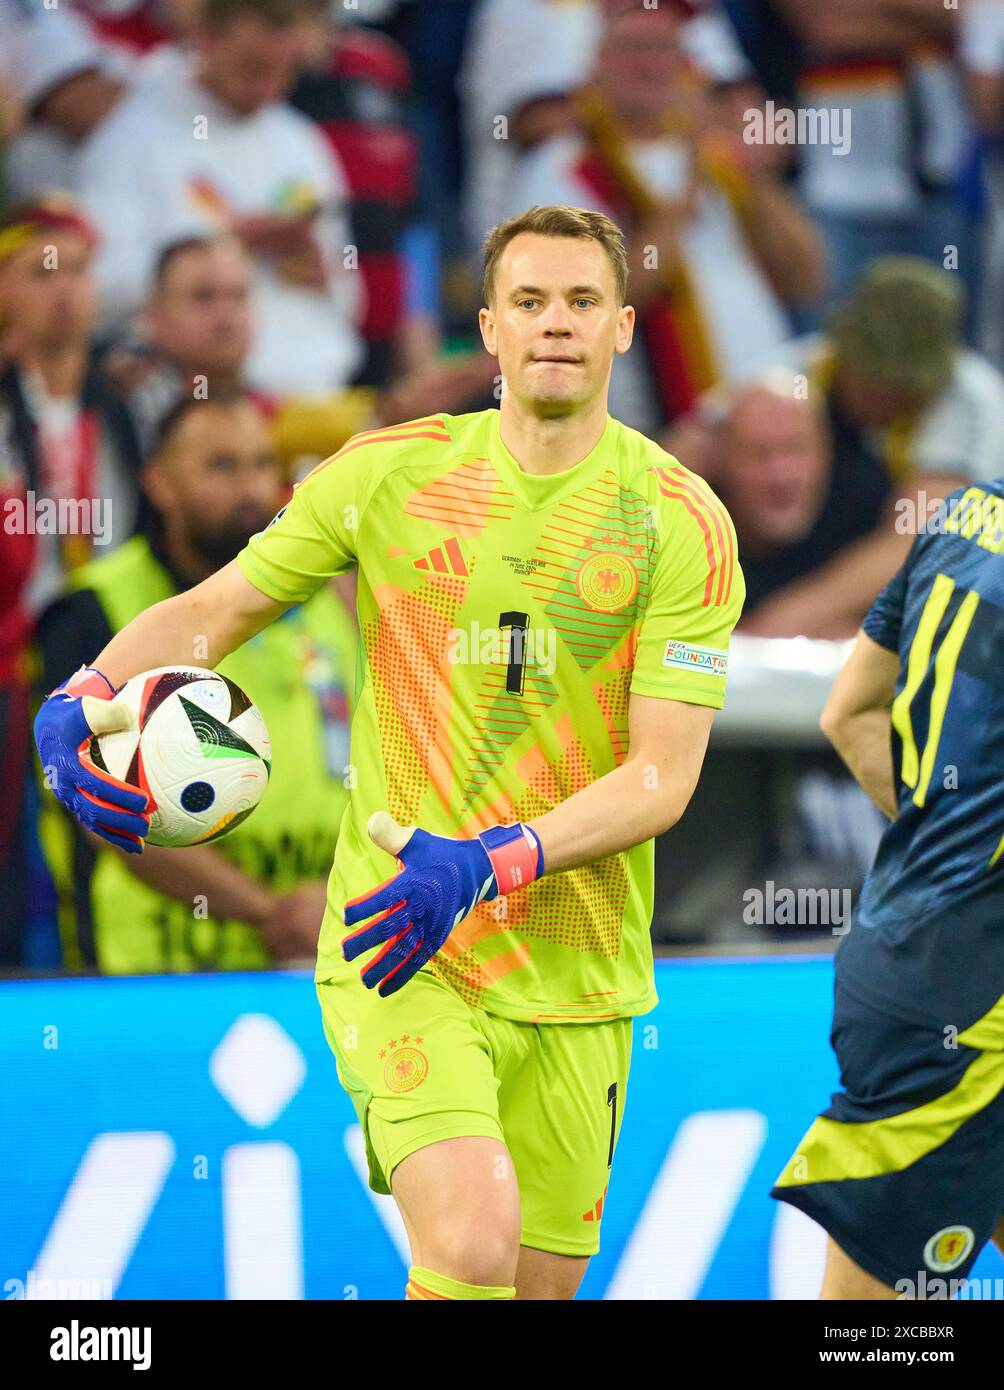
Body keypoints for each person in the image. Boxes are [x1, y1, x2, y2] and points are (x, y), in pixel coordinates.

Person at [33, 203, 745, 1300]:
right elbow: (218, 609)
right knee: (466, 1249)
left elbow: (664, 775)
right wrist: (84, 694)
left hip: (577, 966)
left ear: (620, 330)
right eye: (527, 302)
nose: (553, 323)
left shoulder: (680, 520)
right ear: (489, 332)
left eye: (579, 302)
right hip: (401, 936)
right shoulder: (385, 475)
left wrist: (495, 857)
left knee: (535, 1287)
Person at [772, 478, 1004, 1297]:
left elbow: (850, 713)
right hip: (967, 1016)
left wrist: (944, 843)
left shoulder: (967, 515)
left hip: (913, 955)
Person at [35, 390, 356, 973]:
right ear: (159, 481)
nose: (251, 489)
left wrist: (333, 903)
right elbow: (95, 811)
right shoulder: (95, 610)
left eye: (263, 464)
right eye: (222, 466)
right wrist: (271, 913)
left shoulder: (333, 599)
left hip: (324, 952)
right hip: (148, 974)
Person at [503, 0, 824, 435]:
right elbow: (590, 307)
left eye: (665, 49)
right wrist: (687, 188)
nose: (651, 65)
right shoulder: (564, 166)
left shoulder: (722, 158)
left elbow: (806, 279)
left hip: (764, 418)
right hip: (664, 435)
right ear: (595, 62)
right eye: (634, 48)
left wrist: (755, 178)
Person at [75, 0, 364, 396]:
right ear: (205, 37)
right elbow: (97, 290)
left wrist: (322, 274)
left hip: (318, 396)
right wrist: (225, 244)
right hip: (194, 405)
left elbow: (352, 300)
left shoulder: (301, 142)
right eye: (253, 66)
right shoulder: (130, 140)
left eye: (286, 68)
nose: (270, 87)